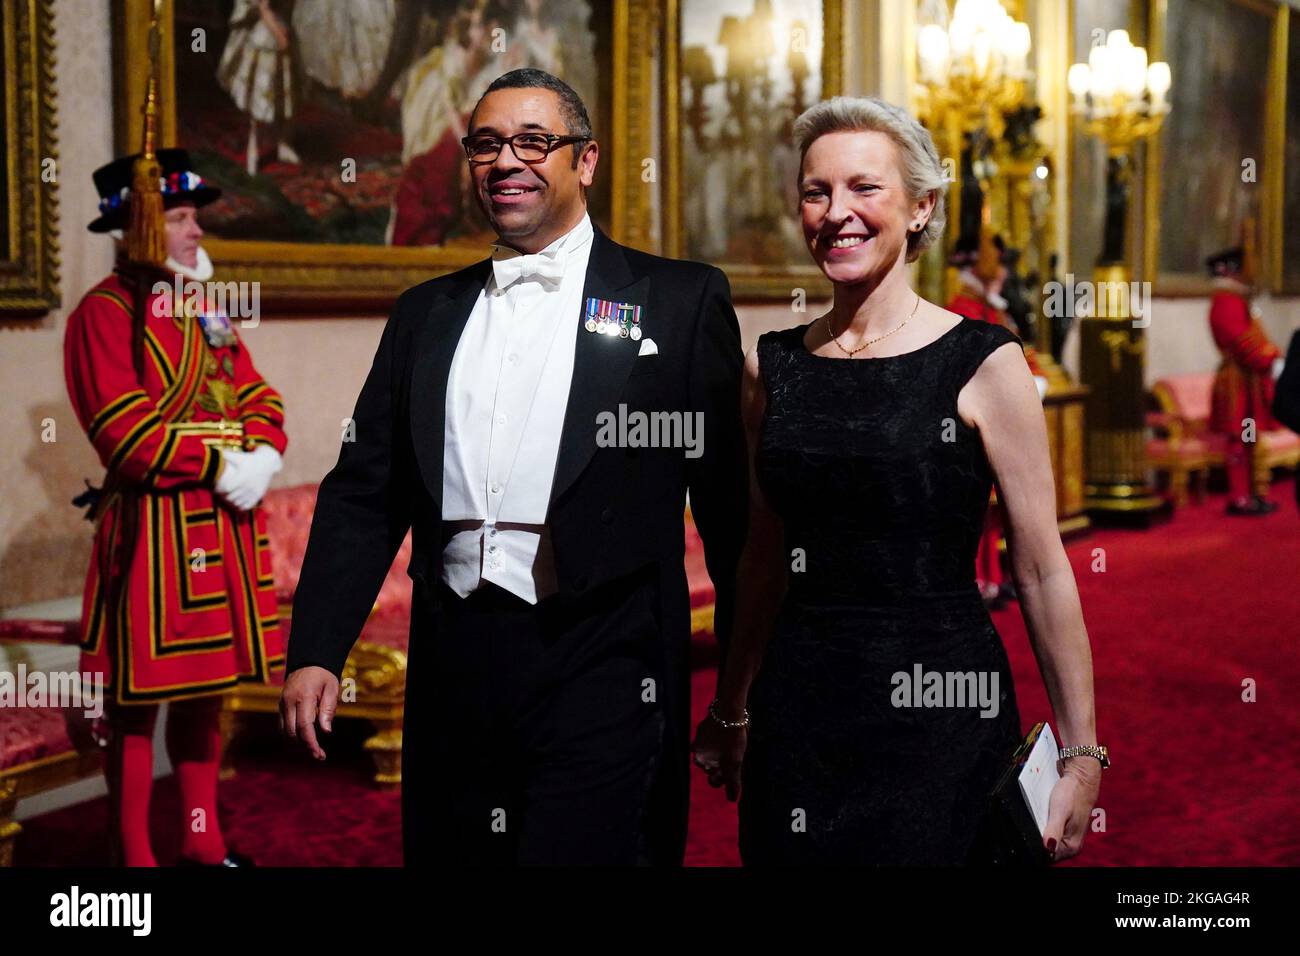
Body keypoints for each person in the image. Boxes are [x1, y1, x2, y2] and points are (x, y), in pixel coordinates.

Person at [281, 68, 748, 866]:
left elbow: (731, 516)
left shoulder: (677, 302)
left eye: (534, 141)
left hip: (606, 662)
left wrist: (742, 697)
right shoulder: (425, 313)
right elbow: (365, 489)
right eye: (486, 145)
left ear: (586, 161)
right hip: (455, 661)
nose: (506, 162)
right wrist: (318, 648)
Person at [692, 96, 1104, 865]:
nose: (835, 212)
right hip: (802, 716)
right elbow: (762, 559)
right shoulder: (769, 367)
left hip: (943, 719)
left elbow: (1042, 568)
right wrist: (732, 708)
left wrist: (1083, 754)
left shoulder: (984, 360)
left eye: (863, 188)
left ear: (921, 208)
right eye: (816, 191)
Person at [64, 148, 288, 866]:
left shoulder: (204, 309)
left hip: (221, 530)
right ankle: (134, 857)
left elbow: (256, 393)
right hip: (155, 535)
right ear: (139, 226)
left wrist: (265, 453)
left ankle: (202, 844)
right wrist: (220, 461)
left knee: (206, 695)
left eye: (195, 217)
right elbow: (124, 433)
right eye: (182, 217)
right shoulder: (103, 315)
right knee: (137, 706)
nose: (197, 232)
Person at [1206, 247, 1286, 515]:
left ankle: (1254, 493)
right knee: (1239, 439)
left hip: (1248, 383)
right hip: (1237, 385)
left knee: (1249, 438)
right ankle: (1239, 497)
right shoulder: (1226, 302)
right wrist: (1271, 356)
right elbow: (1243, 343)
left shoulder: (1237, 300)